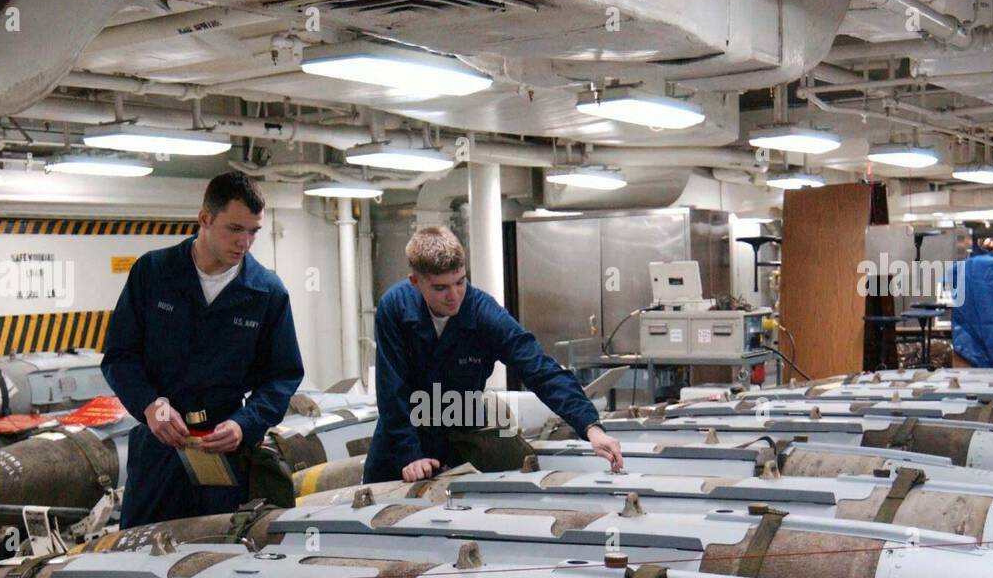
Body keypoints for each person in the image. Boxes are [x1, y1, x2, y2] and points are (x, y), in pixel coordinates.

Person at [102, 171, 304, 526]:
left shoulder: (266, 292)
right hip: (159, 449)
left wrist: (245, 424)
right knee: (138, 551)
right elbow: (120, 356)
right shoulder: (154, 273)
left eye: (253, 231)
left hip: (224, 451)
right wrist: (151, 406)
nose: (244, 242)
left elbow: (283, 377)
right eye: (235, 229)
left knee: (219, 557)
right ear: (205, 219)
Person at [364, 225, 623, 484]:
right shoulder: (395, 309)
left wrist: (590, 426)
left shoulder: (483, 313)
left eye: (460, 282)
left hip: (457, 435)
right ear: (416, 282)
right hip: (400, 441)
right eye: (441, 288)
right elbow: (392, 388)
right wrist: (410, 456)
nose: (454, 296)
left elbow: (539, 368)